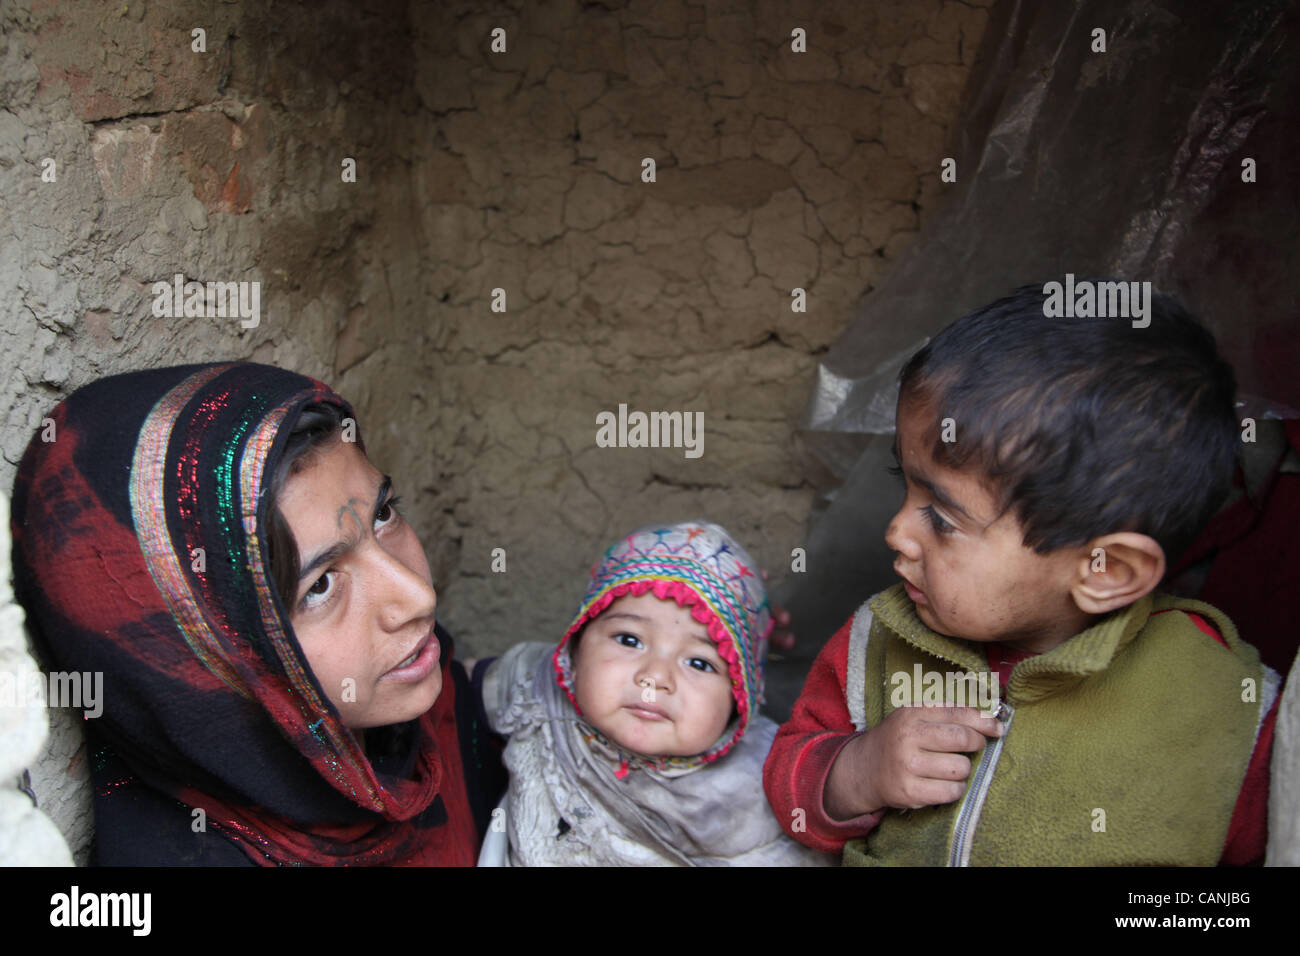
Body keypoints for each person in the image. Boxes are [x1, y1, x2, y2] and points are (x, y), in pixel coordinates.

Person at [764, 284, 1281, 865]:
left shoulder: (1222, 706)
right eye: (903, 485)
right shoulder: (880, 640)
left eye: (941, 517)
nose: (896, 531)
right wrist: (859, 770)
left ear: (1107, 570)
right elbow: (790, 781)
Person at [9, 362, 503, 865]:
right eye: (320, 585)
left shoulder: (421, 708)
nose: (417, 596)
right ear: (213, 662)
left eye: (383, 515)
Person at [472, 520, 832, 865]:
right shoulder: (535, 688)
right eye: (630, 640)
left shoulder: (763, 788)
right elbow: (458, 681)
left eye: (699, 663)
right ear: (575, 649)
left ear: (740, 703)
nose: (655, 677)